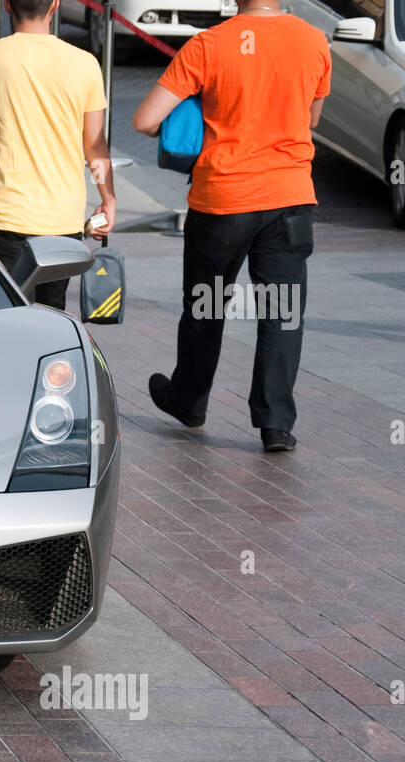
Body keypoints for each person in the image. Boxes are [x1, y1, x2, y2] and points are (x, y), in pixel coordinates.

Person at [133, 0, 330, 453]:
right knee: (282, 313)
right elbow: (312, 119)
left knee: (207, 305)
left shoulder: (209, 44)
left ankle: (189, 401)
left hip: (223, 200)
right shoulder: (313, 40)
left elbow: (145, 120)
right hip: (290, 197)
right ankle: (275, 424)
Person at [0, 0, 114, 311]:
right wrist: (107, 197)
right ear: (55, 4)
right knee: (53, 312)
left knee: (8, 313)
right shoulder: (85, 64)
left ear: (5, 5)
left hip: (7, 217)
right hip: (63, 220)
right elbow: (94, 145)